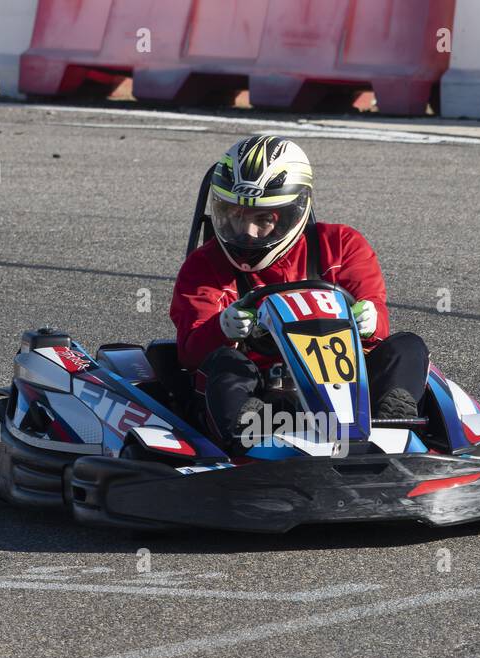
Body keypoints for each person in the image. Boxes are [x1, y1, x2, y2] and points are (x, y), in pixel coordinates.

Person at [170, 135, 430, 450]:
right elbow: (188, 354)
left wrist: (371, 320)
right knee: (224, 363)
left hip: (346, 386)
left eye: (262, 219)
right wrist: (221, 329)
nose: (246, 232)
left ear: (293, 210)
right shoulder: (204, 267)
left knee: (407, 346)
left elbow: (378, 327)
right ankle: (249, 439)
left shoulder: (342, 245)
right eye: (235, 215)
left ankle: (394, 430)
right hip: (260, 391)